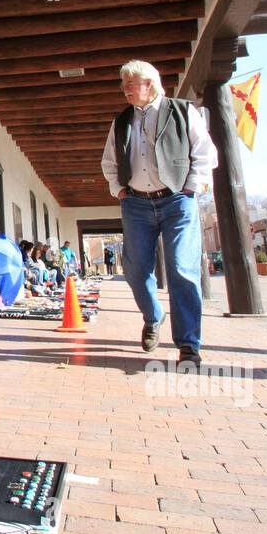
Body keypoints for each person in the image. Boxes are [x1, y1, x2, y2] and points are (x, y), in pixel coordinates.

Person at [101, 59, 217, 365]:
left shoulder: (182, 110)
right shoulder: (122, 121)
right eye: (123, 84)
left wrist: (191, 187)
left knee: (181, 268)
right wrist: (120, 191)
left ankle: (188, 345)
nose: (125, 89)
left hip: (177, 200)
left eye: (130, 83)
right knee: (136, 269)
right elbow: (109, 162)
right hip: (136, 204)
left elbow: (204, 153)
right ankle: (153, 316)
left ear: (149, 84)